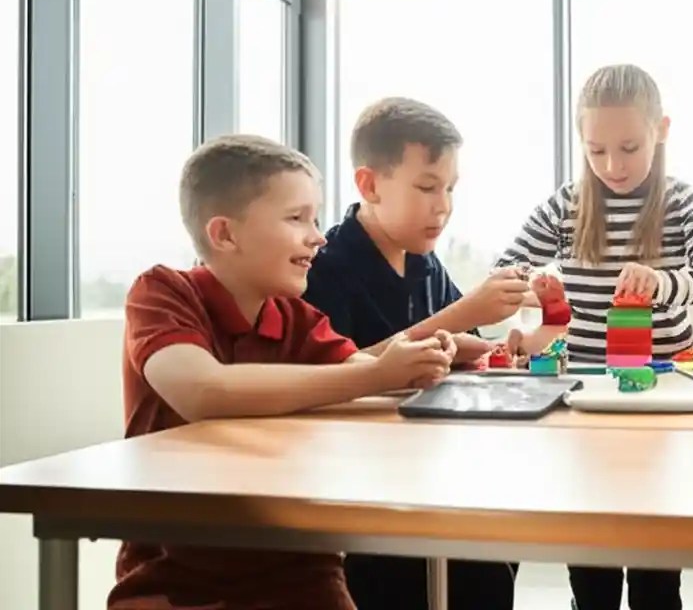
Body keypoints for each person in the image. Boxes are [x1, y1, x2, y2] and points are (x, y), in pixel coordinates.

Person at [109, 134, 453, 610]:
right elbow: (203, 390)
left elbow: (367, 372)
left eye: (315, 218)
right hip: (176, 574)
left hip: (298, 566)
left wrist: (415, 364)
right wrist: (377, 375)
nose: (317, 235)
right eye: (297, 218)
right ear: (225, 234)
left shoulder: (296, 317)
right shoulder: (162, 293)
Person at [495, 63, 693, 610]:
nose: (613, 165)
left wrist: (663, 281)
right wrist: (533, 292)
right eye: (596, 150)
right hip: (583, 399)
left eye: (629, 147)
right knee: (592, 563)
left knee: (657, 567)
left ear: (662, 129)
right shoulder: (566, 205)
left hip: (663, 396)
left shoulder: (682, 204)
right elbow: (505, 267)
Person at [303, 97, 525, 610]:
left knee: (492, 558)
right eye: (426, 187)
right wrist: (469, 310)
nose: (442, 205)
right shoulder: (328, 267)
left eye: (449, 189)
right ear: (370, 184)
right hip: (370, 488)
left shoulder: (423, 260)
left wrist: (497, 346)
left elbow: (446, 337)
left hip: (436, 465)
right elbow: (339, 368)